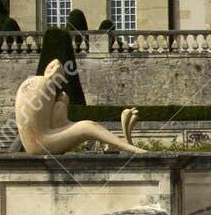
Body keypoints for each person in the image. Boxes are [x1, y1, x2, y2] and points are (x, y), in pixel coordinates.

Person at [16, 59, 145, 154]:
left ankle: (120, 144)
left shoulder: (30, 82)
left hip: (32, 145)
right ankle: (130, 148)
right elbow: (57, 122)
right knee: (88, 126)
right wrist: (62, 104)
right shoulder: (48, 86)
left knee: (87, 126)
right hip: (43, 144)